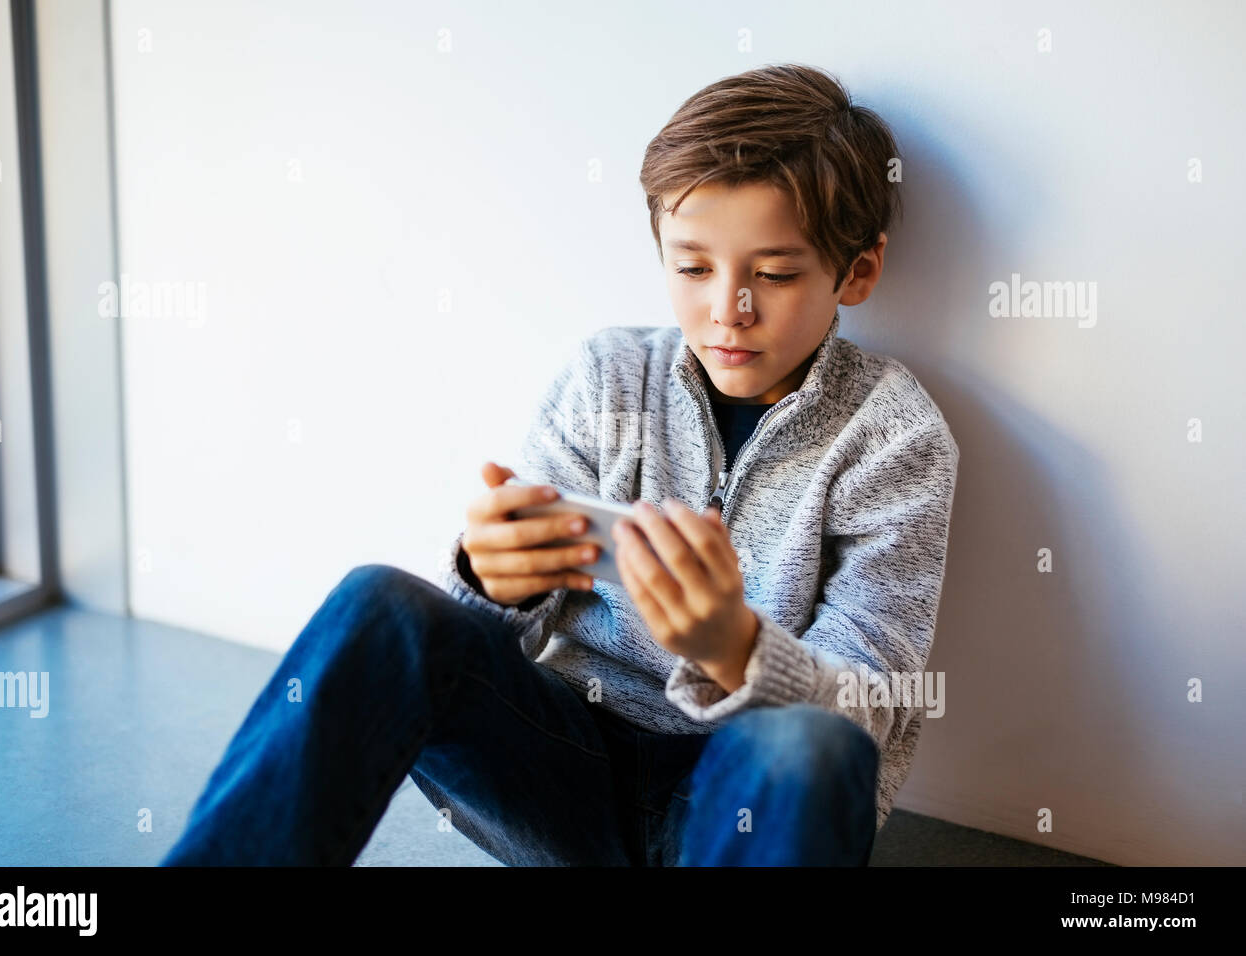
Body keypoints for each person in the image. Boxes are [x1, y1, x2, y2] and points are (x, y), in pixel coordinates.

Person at [160, 62, 959, 867]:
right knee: (383, 605)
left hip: (745, 812)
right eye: (692, 268)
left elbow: (867, 713)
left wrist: (735, 648)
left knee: (810, 747)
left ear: (857, 271)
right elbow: (473, 635)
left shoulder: (894, 437)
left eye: (775, 274)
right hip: (563, 773)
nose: (728, 310)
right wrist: (495, 576)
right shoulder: (606, 378)